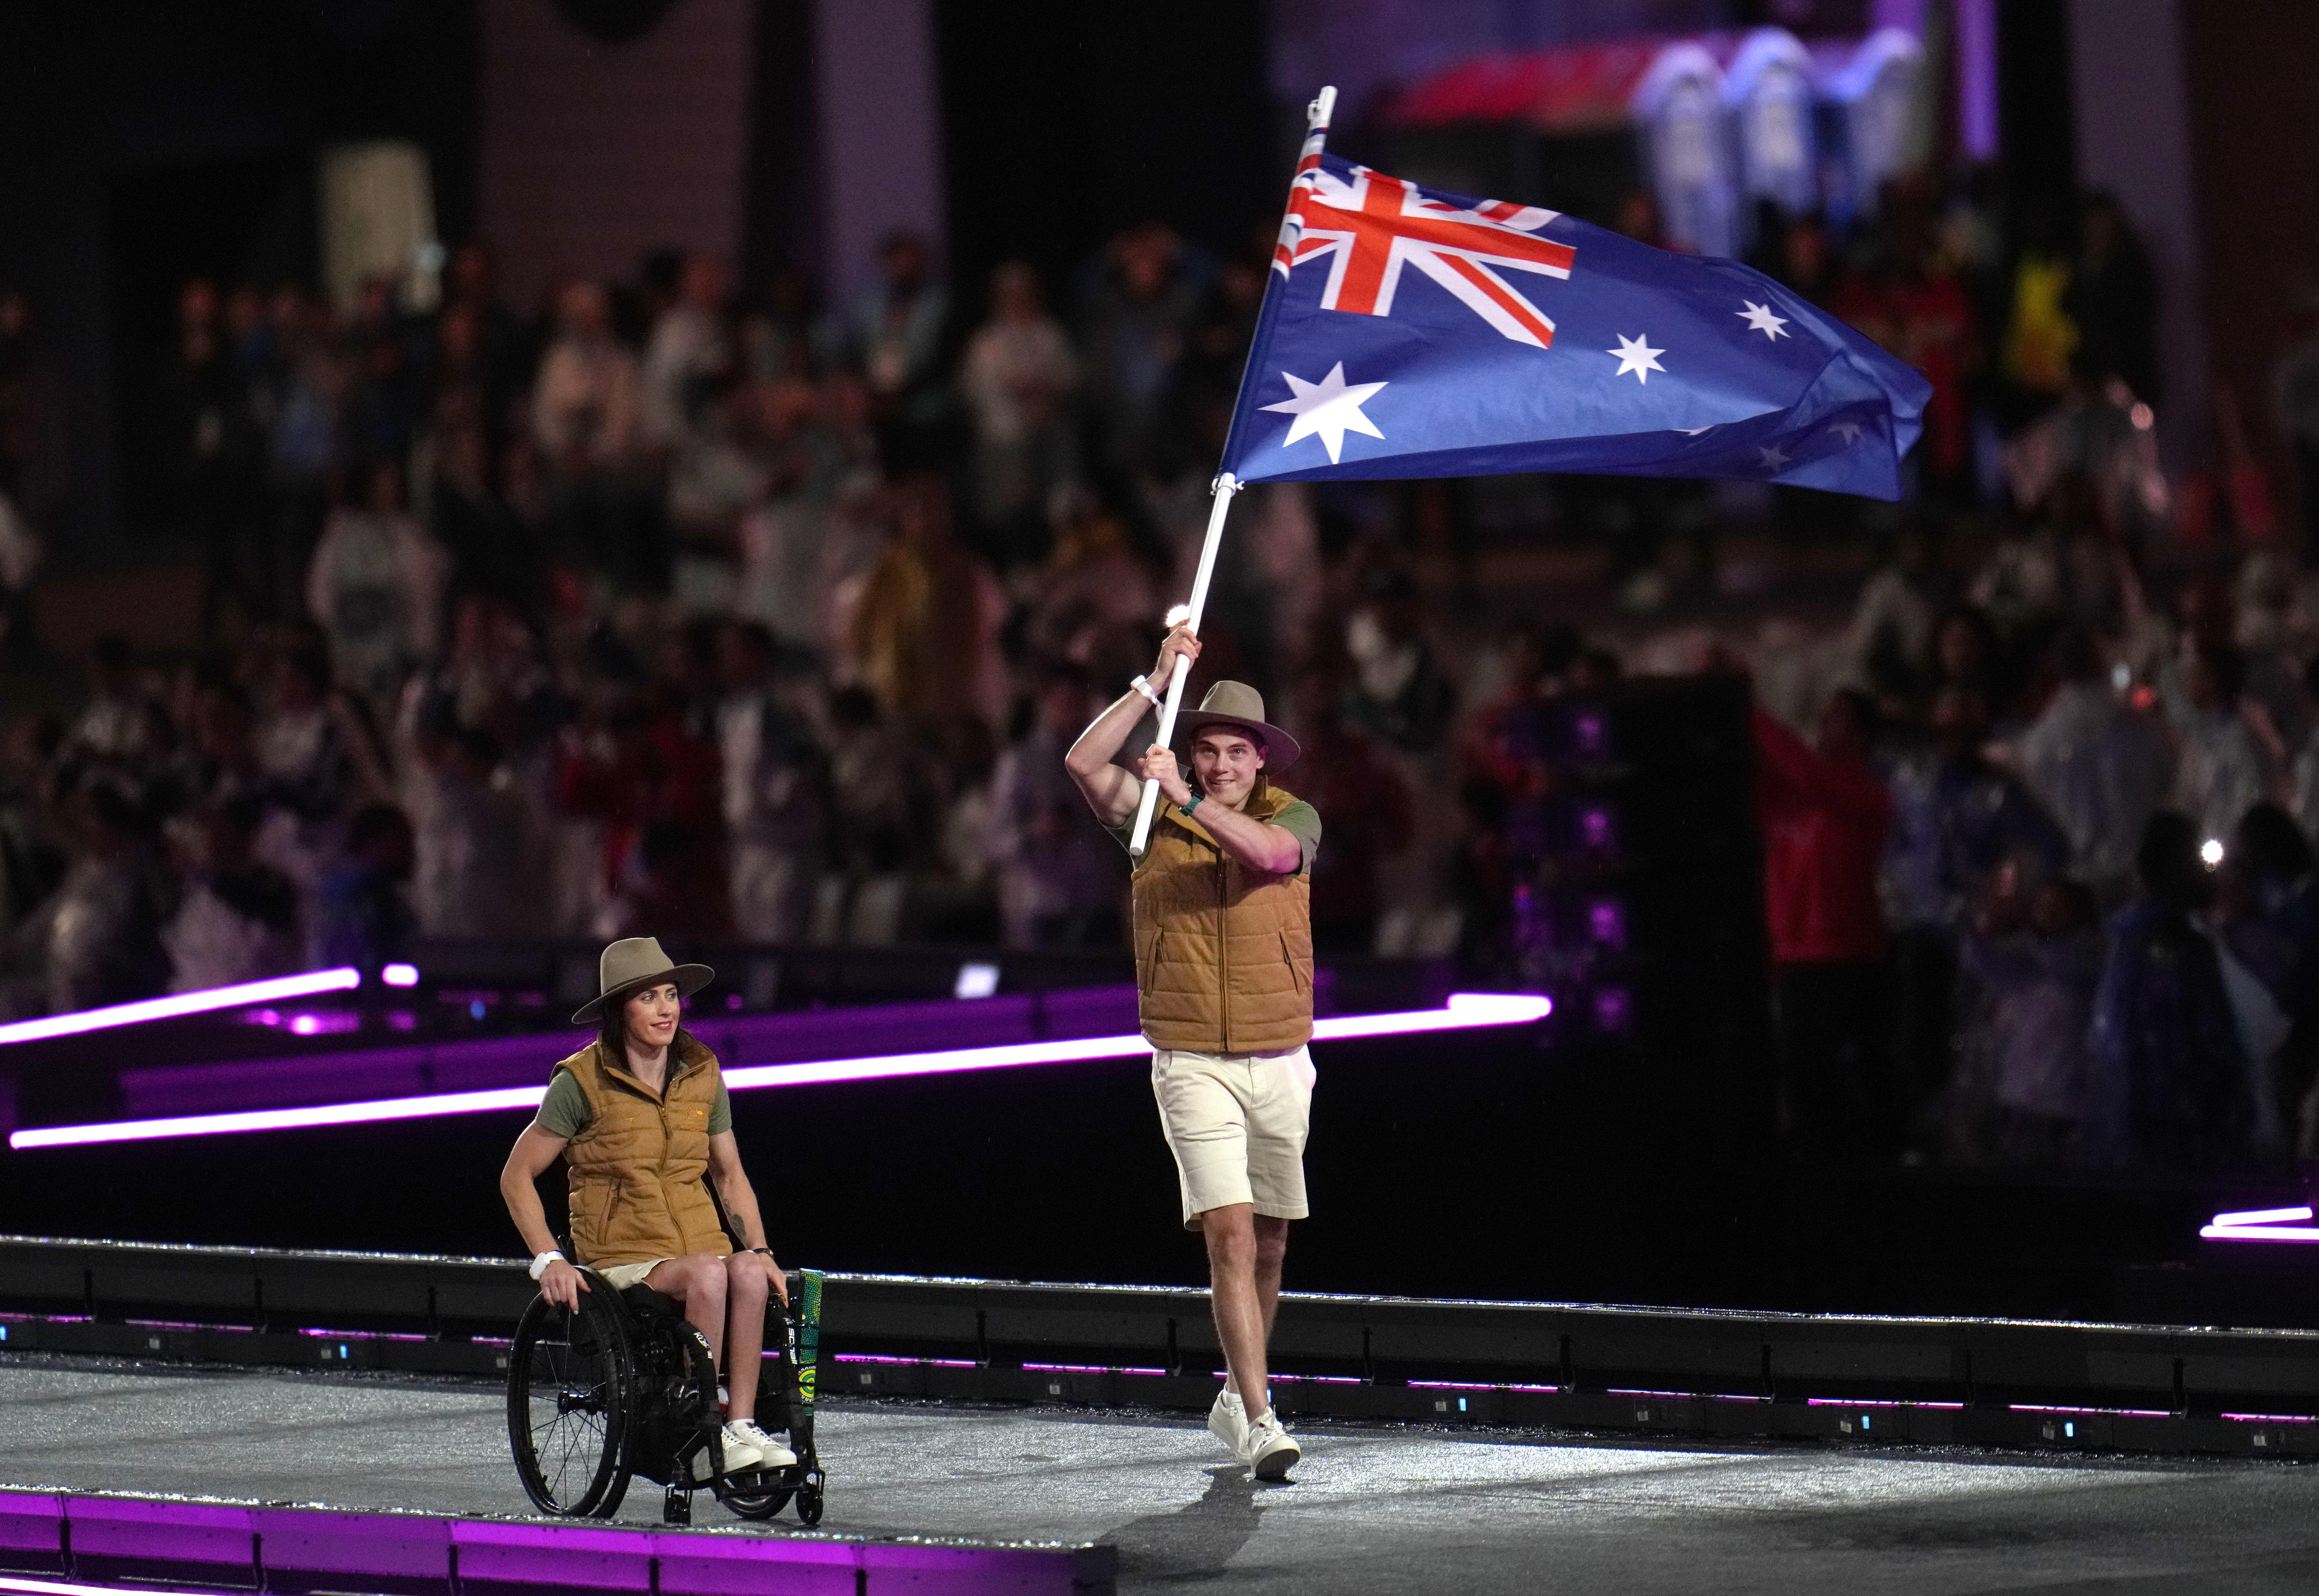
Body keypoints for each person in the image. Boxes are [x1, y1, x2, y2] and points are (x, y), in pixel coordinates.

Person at [1063, 625, 1320, 1482]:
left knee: (1275, 1242)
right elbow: (1081, 763)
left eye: (1234, 753)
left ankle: (1233, 1397)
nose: (1219, 766)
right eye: (1205, 750)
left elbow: (1270, 859)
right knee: (1231, 1237)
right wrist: (1154, 679)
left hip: (1279, 1054)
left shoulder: (1292, 817)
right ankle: (1259, 1415)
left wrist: (1184, 800)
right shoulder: (1149, 818)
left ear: (1260, 760)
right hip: (1190, 1060)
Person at [498, 938, 794, 1476]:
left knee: (748, 1273)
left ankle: (741, 1424)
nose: (666, 1009)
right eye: (648, 998)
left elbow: (729, 1173)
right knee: (708, 1273)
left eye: (671, 995)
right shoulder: (580, 1082)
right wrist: (549, 1260)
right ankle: (696, 1413)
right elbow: (516, 1175)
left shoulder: (701, 1069)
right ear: (619, 1010)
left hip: (695, 1249)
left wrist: (759, 1247)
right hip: (622, 1255)